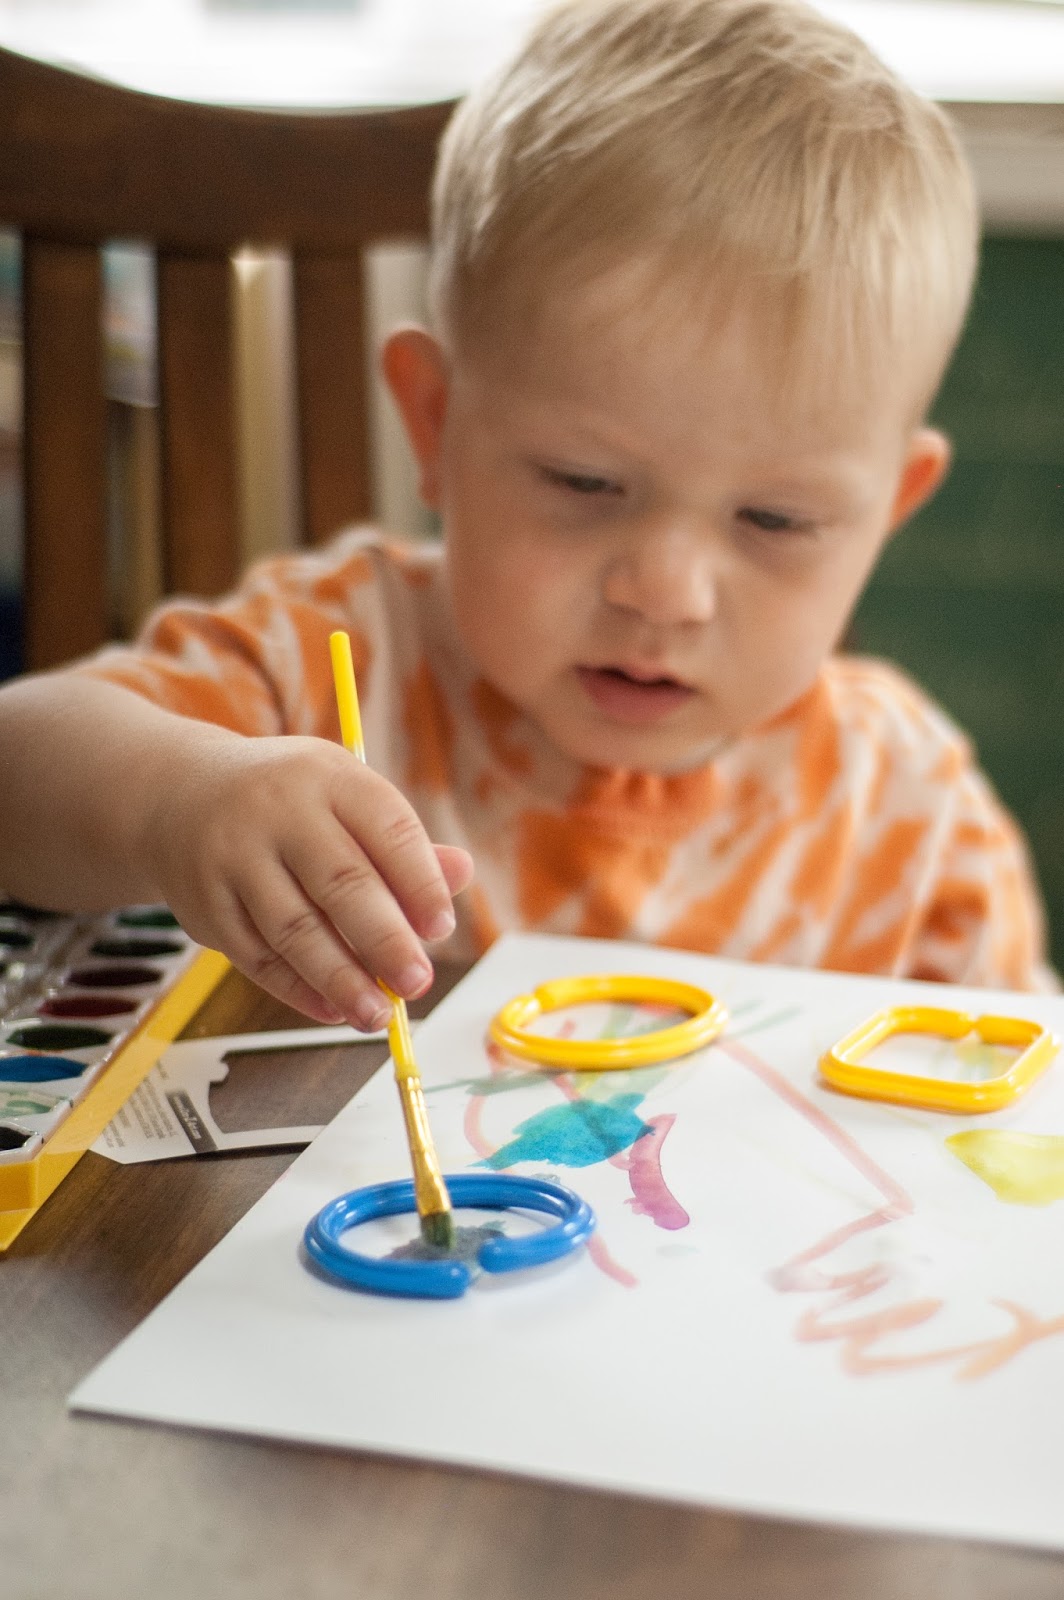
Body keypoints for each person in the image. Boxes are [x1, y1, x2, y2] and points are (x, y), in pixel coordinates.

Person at [0, 0, 1054, 1031]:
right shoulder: (333, 663)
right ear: (434, 421)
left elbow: (1018, 1108)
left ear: (887, 510)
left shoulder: (910, 812)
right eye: (584, 483)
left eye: (773, 520)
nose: (664, 593)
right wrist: (177, 801)